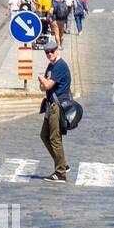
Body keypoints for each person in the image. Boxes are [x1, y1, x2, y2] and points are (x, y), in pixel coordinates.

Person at [38, 38, 72, 183]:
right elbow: (43, 87)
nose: (50, 54)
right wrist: (44, 83)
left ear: (57, 50)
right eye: (47, 52)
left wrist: (40, 78)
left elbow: (47, 84)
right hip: (50, 105)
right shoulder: (51, 66)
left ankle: (60, 173)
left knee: (54, 138)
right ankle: (62, 164)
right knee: (44, 135)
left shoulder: (59, 66)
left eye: (52, 51)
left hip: (57, 107)